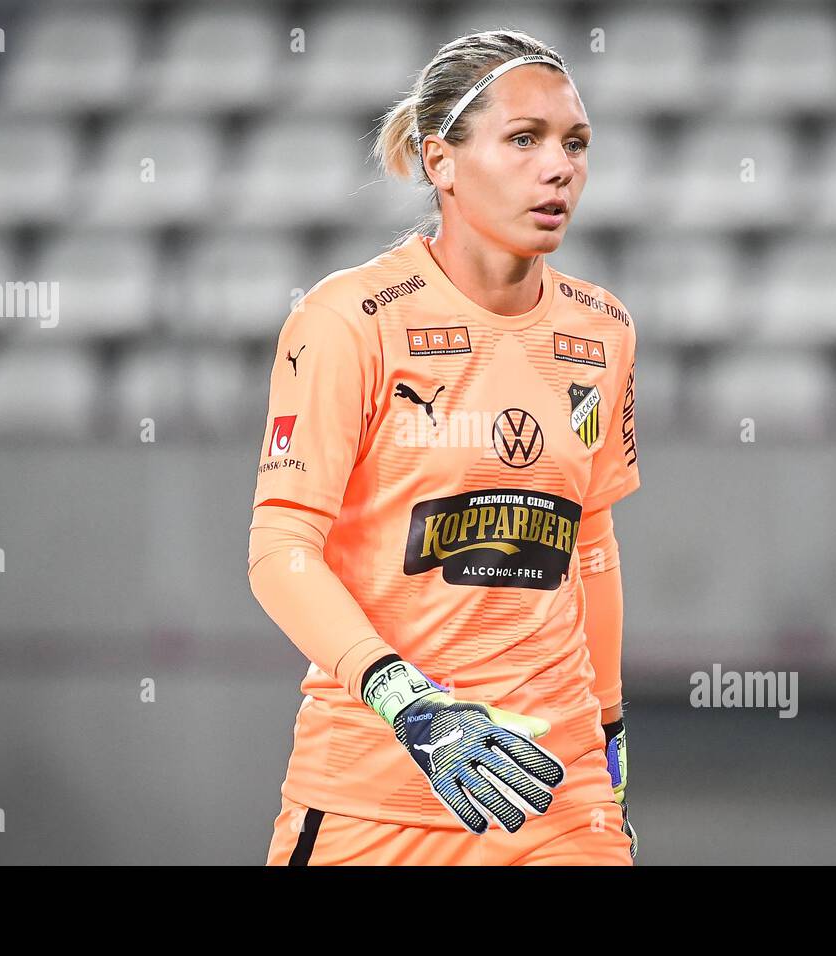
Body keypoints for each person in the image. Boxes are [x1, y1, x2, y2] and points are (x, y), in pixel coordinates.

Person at [248, 29, 641, 866]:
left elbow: (592, 544)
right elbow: (280, 550)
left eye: (575, 143)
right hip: (376, 805)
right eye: (524, 140)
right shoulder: (350, 320)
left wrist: (608, 731)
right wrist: (411, 704)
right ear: (441, 162)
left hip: (557, 797)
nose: (560, 166)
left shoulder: (602, 330)